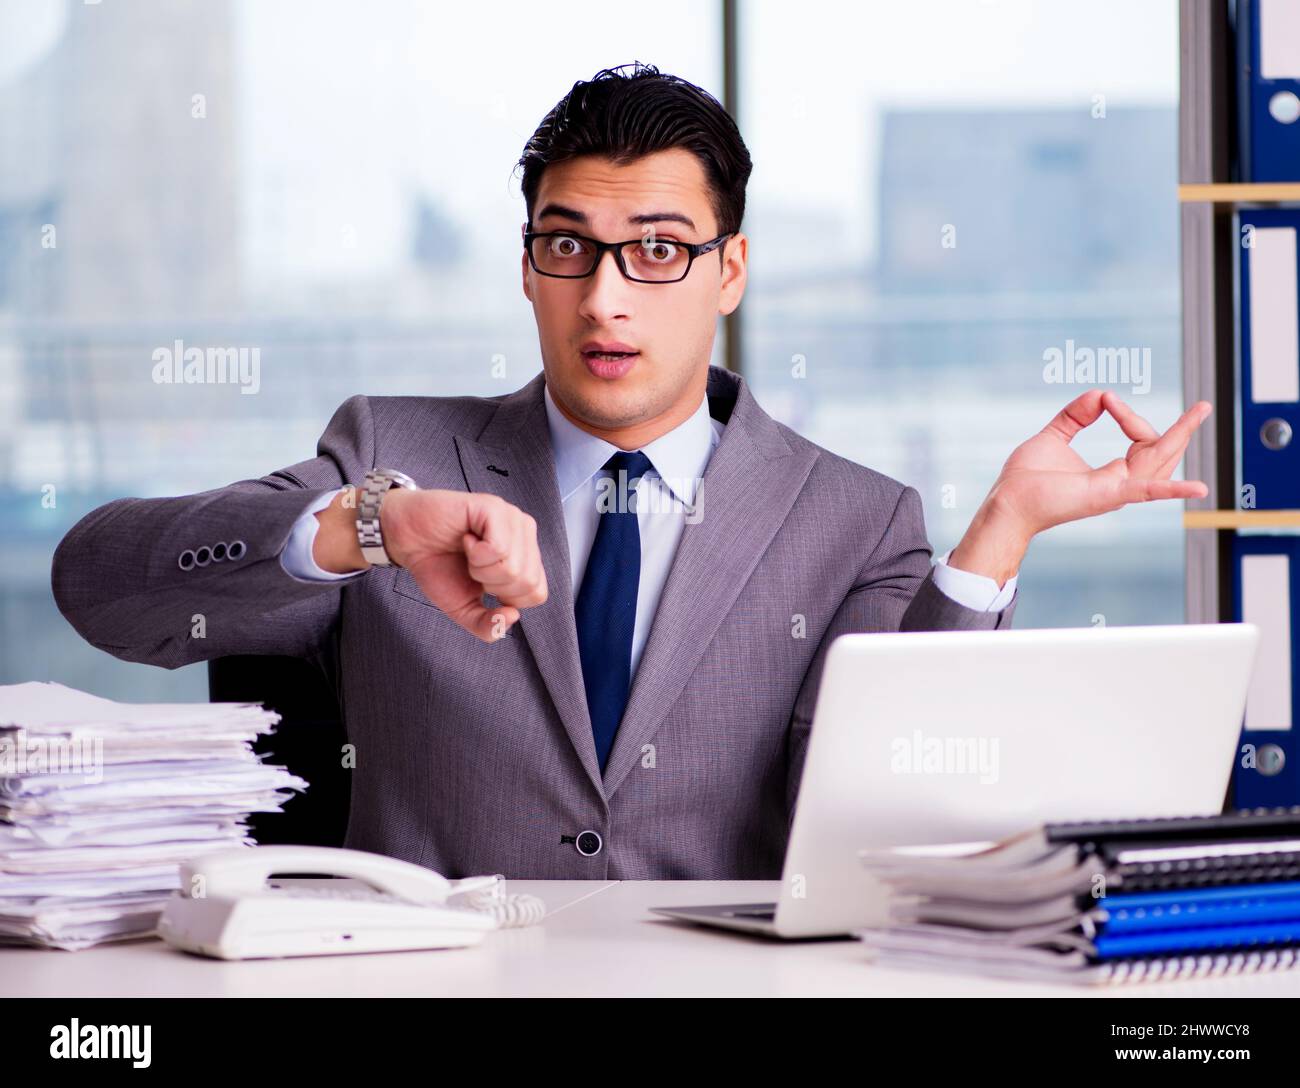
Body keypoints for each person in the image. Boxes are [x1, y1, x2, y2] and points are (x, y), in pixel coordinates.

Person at [52, 63, 1210, 880]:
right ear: (526, 265)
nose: (604, 297)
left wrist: (995, 534)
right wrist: (372, 523)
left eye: (657, 249)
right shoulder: (388, 452)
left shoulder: (857, 519)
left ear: (731, 269)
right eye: (568, 247)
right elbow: (102, 587)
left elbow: (877, 819)